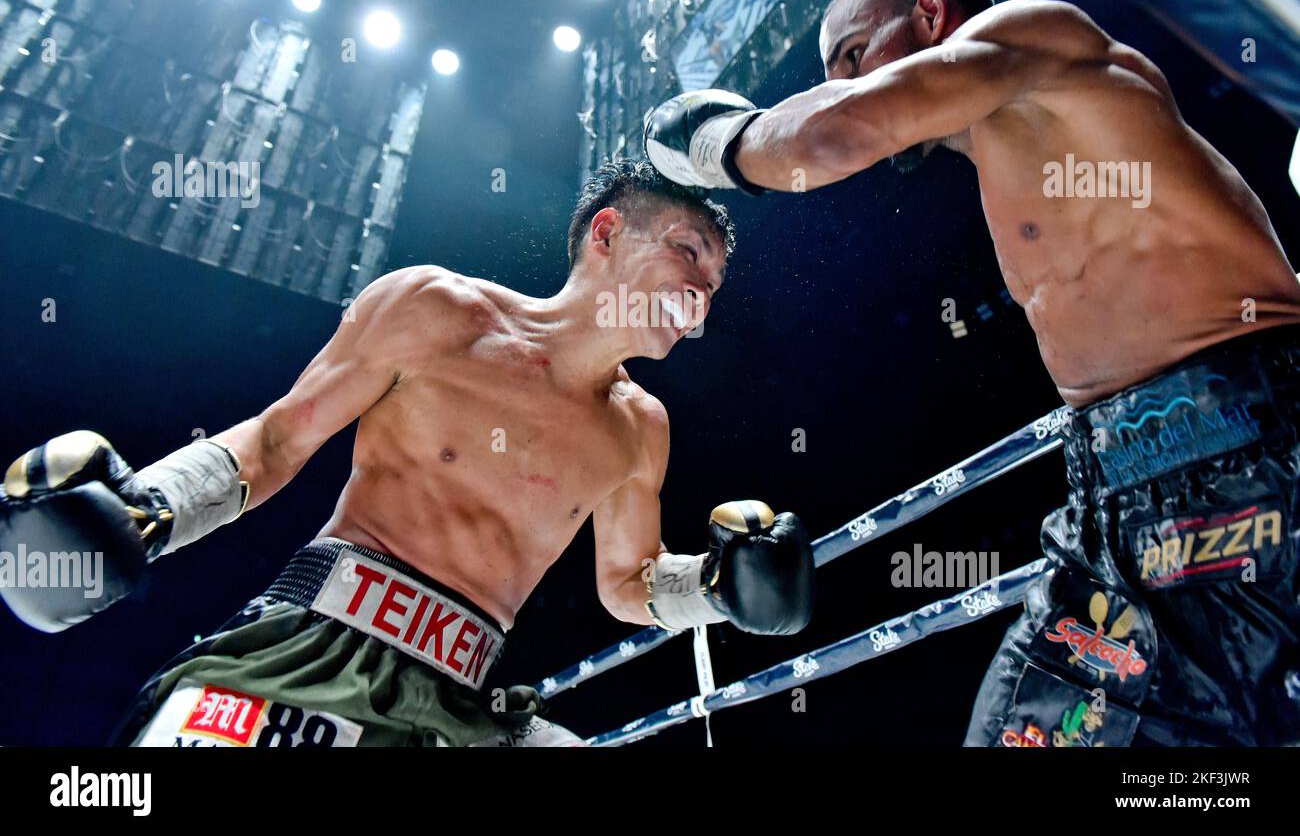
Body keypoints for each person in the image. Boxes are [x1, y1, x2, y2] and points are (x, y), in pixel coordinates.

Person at [644, 0, 1300, 745]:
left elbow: (829, 137)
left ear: (930, 14)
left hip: (1260, 449)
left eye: (854, 53)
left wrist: (713, 140)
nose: (845, 81)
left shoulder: (1038, 39)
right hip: (1117, 506)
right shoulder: (1007, 151)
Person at [0, 158, 815, 747]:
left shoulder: (641, 428)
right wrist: (148, 506)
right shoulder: (437, 310)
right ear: (607, 232)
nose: (704, 290)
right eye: (688, 250)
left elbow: (627, 582)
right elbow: (278, 438)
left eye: (715, 279)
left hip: (460, 703)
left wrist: (716, 588)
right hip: (310, 647)